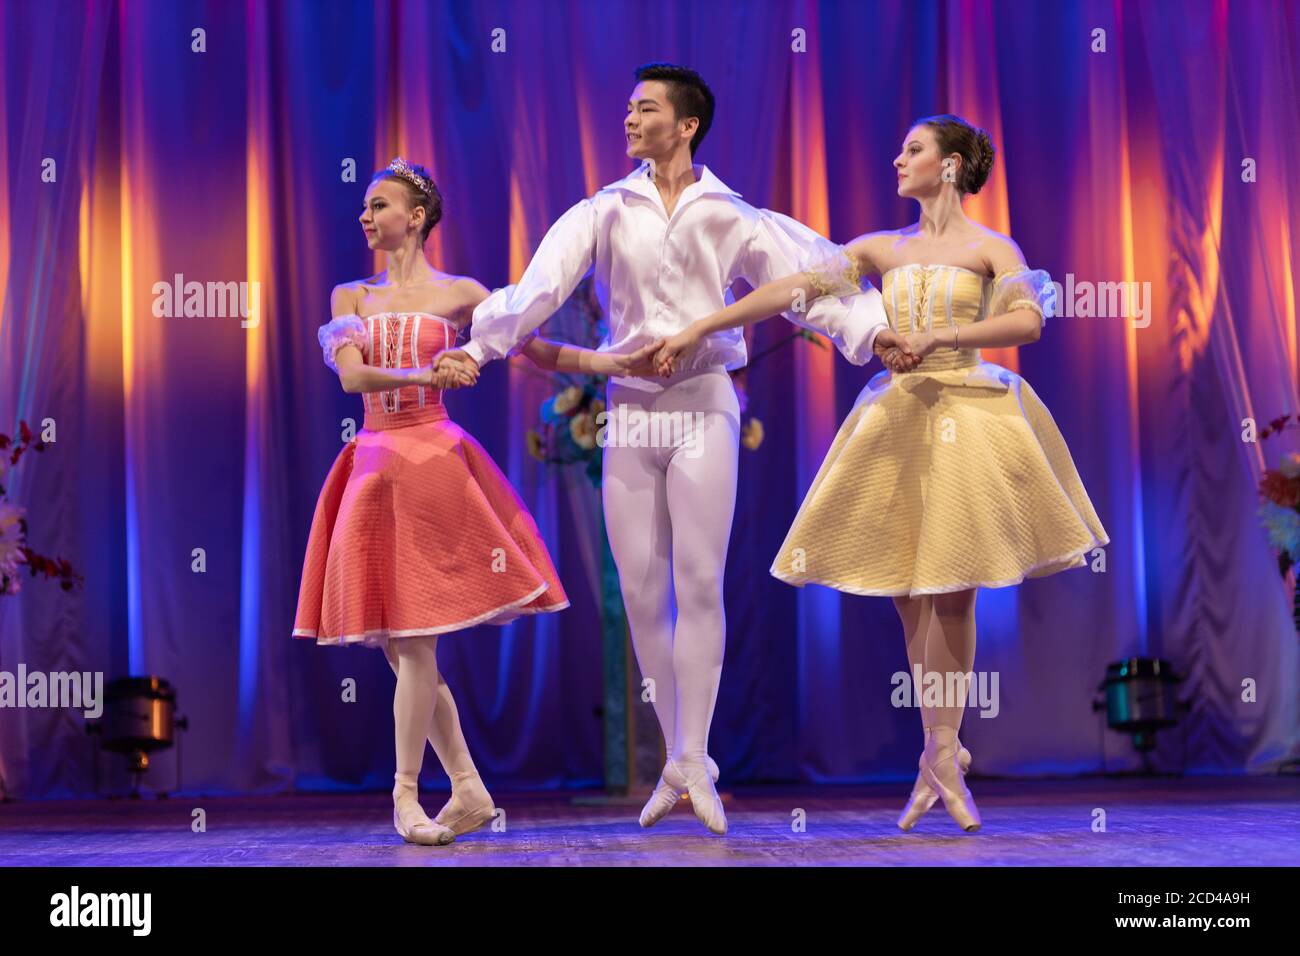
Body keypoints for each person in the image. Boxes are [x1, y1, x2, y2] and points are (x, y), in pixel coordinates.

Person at [435, 63, 911, 835]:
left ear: (685, 125)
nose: (629, 118)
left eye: (644, 108)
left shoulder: (730, 212)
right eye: (627, 106)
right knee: (642, 589)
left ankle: (694, 755)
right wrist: (480, 351)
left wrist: (872, 330)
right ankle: (678, 759)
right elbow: (538, 289)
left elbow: (810, 279)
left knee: (698, 579)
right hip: (630, 410)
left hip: (702, 405)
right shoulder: (604, 209)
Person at [653, 114, 1109, 832]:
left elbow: (1027, 323)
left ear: (952, 165)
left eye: (915, 150)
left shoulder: (992, 246)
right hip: (898, 421)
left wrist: (944, 335)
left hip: (969, 414)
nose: (899, 159)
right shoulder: (877, 247)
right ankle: (937, 754)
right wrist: (700, 327)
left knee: (952, 588)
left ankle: (946, 750)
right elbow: (791, 291)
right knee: (907, 591)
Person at [292, 158, 641, 845]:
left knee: (414, 643)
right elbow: (353, 377)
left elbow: (533, 350)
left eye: (380, 205)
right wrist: (436, 367)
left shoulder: (461, 295)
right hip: (374, 464)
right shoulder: (350, 297)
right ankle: (470, 787)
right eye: (364, 206)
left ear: (416, 217)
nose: (365, 216)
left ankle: (404, 798)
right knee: (401, 651)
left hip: (432, 464)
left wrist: (610, 362)